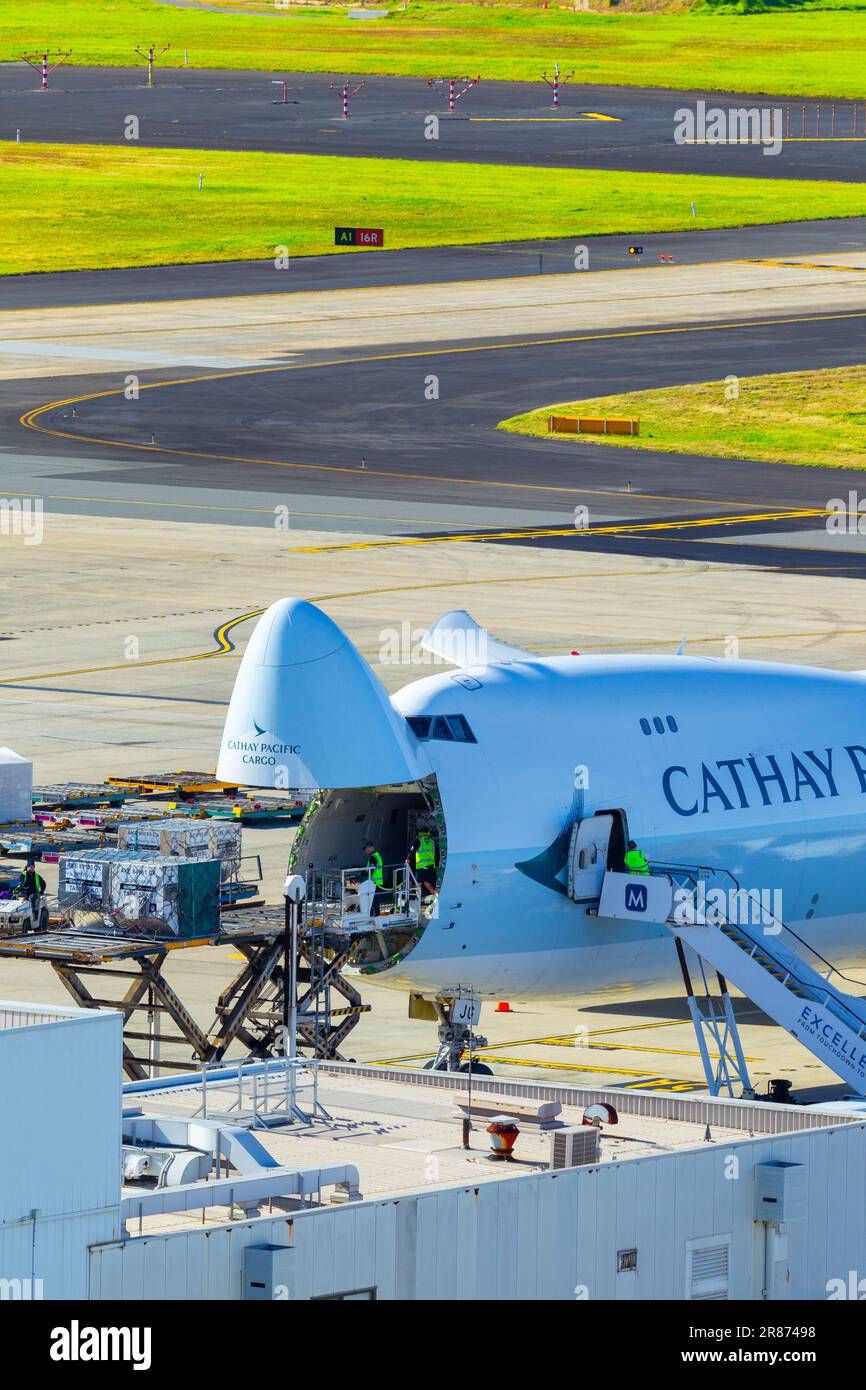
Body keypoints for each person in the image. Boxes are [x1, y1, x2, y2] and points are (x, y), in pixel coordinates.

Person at [407, 826, 437, 899]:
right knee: (427, 884)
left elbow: (412, 850)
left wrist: (408, 858)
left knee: (418, 885)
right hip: (430, 866)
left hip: (421, 866)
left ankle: (418, 901)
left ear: (420, 833)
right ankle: (437, 898)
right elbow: (437, 854)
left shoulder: (419, 840)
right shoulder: (433, 842)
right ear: (428, 833)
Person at [363, 841, 386, 916]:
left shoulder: (373, 857)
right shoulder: (377, 855)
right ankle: (376, 913)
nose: (365, 851)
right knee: (375, 899)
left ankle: (374, 914)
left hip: (373, 882)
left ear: (370, 848)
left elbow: (371, 869)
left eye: (366, 849)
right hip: (377, 881)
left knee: (372, 899)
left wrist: (364, 874)